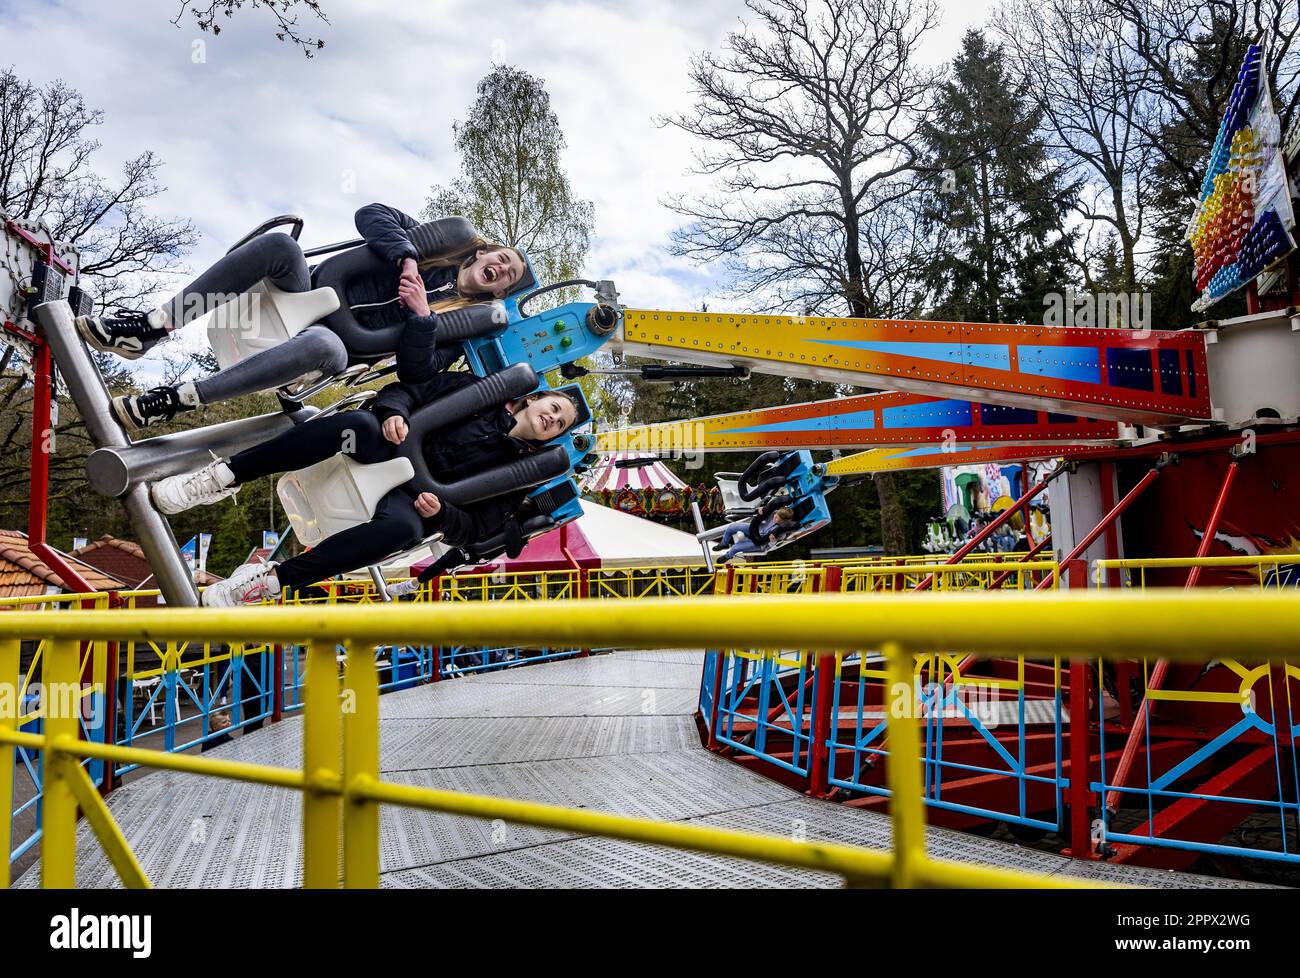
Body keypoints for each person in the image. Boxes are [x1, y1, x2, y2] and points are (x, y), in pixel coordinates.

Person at [150, 362, 582, 605]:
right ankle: (222, 476)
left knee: (405, 529)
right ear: (534, 397)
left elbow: (477, 527)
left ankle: (268, 582)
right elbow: (409, 388)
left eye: (560, 423)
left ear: (554, 436)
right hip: (388, 444)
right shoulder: (476, 391)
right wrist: (394, 411)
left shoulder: (519, 475)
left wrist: (444, 514)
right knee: (358, 424)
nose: (552, 418)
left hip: (414, 497)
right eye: (554, 406)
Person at [75, 203, 535, 430]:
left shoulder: (462, 325)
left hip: (335, 345)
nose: (501, 270)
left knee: (322, 346)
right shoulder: (435, 244)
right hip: (305, 291)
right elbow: (370, 214)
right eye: (503, 259)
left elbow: (419, 374)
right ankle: (149, 330)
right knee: (282, 246)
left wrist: (421, 319)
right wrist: (408, 257)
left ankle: (176, 400)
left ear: (499, 289)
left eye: (507, 277)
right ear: (484, 251)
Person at [714, 507, 798, 563]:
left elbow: (770, 546)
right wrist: (759, 509)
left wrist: (772, 541)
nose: (774, 519)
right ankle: (724, 544)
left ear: (783, 522)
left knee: (735, 547)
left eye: (777, 519)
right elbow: (761, 509)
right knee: (732, 527)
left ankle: (727, 556)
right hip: (755, 529)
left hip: (759, 544)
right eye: (775, 516)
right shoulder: (773, 512)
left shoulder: (781, 533)